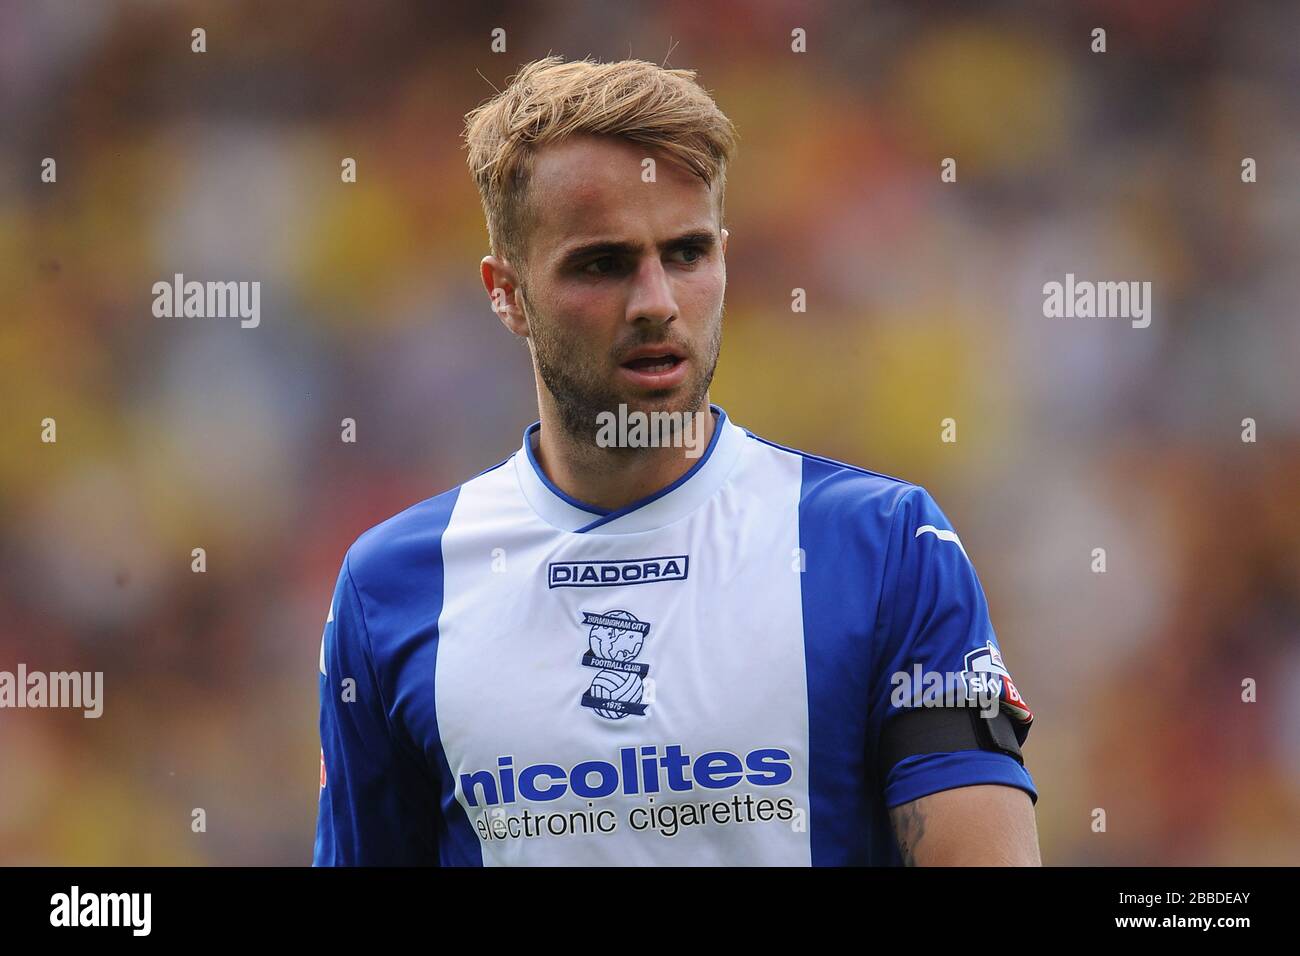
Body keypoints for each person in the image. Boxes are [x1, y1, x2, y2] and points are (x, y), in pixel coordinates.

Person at [313, 56, 1039, 866]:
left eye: (687, 254)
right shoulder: (390, 590)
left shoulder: (886, 548)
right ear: (507, 292)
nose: (657, 301)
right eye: (603, 264)